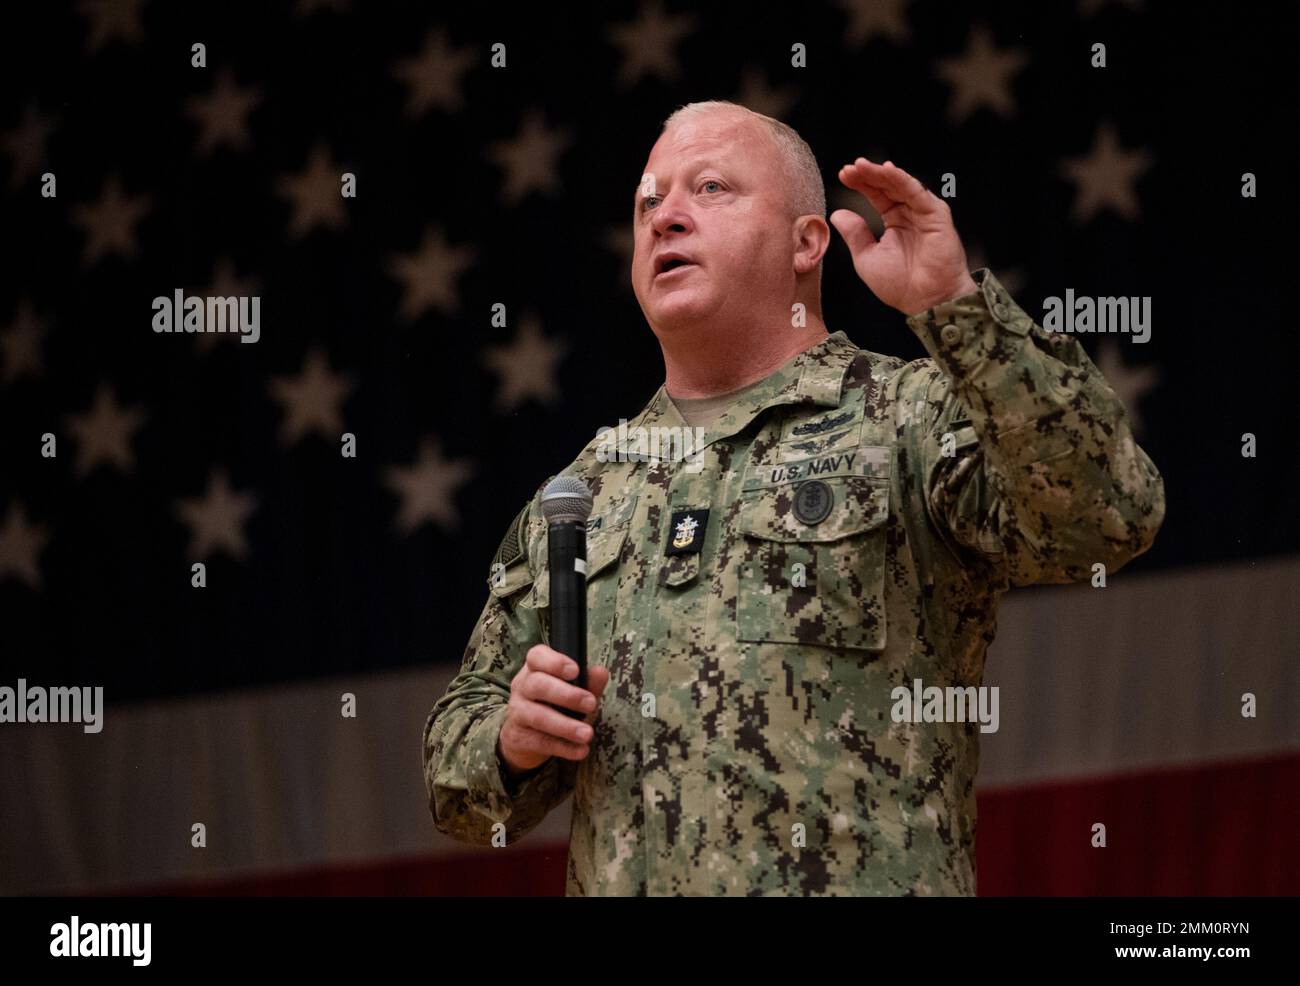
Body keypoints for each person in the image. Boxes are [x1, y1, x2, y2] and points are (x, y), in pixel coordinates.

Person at [421, 100, 1165, 895]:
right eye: (648, 201)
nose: (665, 217)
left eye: (708, 188)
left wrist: (956, 307)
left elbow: (1109, 512)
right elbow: (456, 787)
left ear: (807, 243)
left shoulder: (907, 418)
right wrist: (512, 737)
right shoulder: (584, 491)